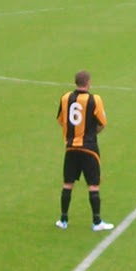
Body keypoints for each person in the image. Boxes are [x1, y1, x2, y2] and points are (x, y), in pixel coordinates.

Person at [56, 71, 113, 232]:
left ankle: (63, 219)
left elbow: (61, 121)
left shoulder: (66, 97)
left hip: (71, 147)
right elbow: (102, 123)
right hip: (89, 148)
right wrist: (90, 134)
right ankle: (97, 221)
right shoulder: (95, 99)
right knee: (93, 185)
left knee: (68, 183)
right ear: (88, 82)